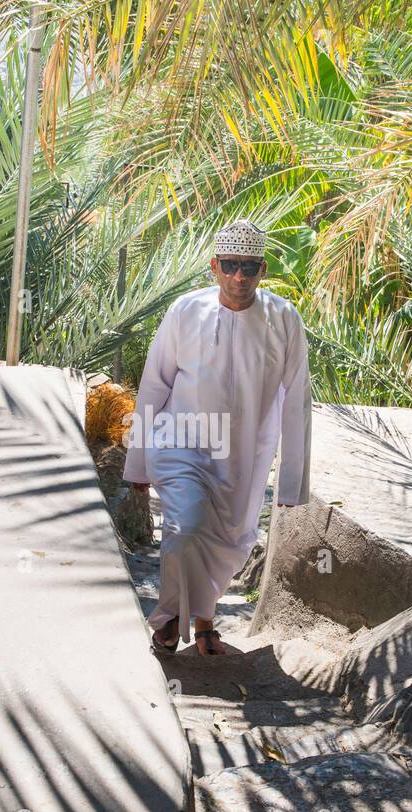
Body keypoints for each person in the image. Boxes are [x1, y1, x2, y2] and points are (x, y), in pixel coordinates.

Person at [123, 219, 312, 656]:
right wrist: (137, 461)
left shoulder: (283, 319)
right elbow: (155, 384)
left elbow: (297, 397)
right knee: (185, 527)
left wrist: (292, 481)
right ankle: (172, 614)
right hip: (179, 442)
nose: (239, 277)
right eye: (230, 265)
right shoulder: (185, 312)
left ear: (263, 269)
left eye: (248, 267)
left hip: (242, 455)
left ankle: (203, 617)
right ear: (214, 266)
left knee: (226, 540)